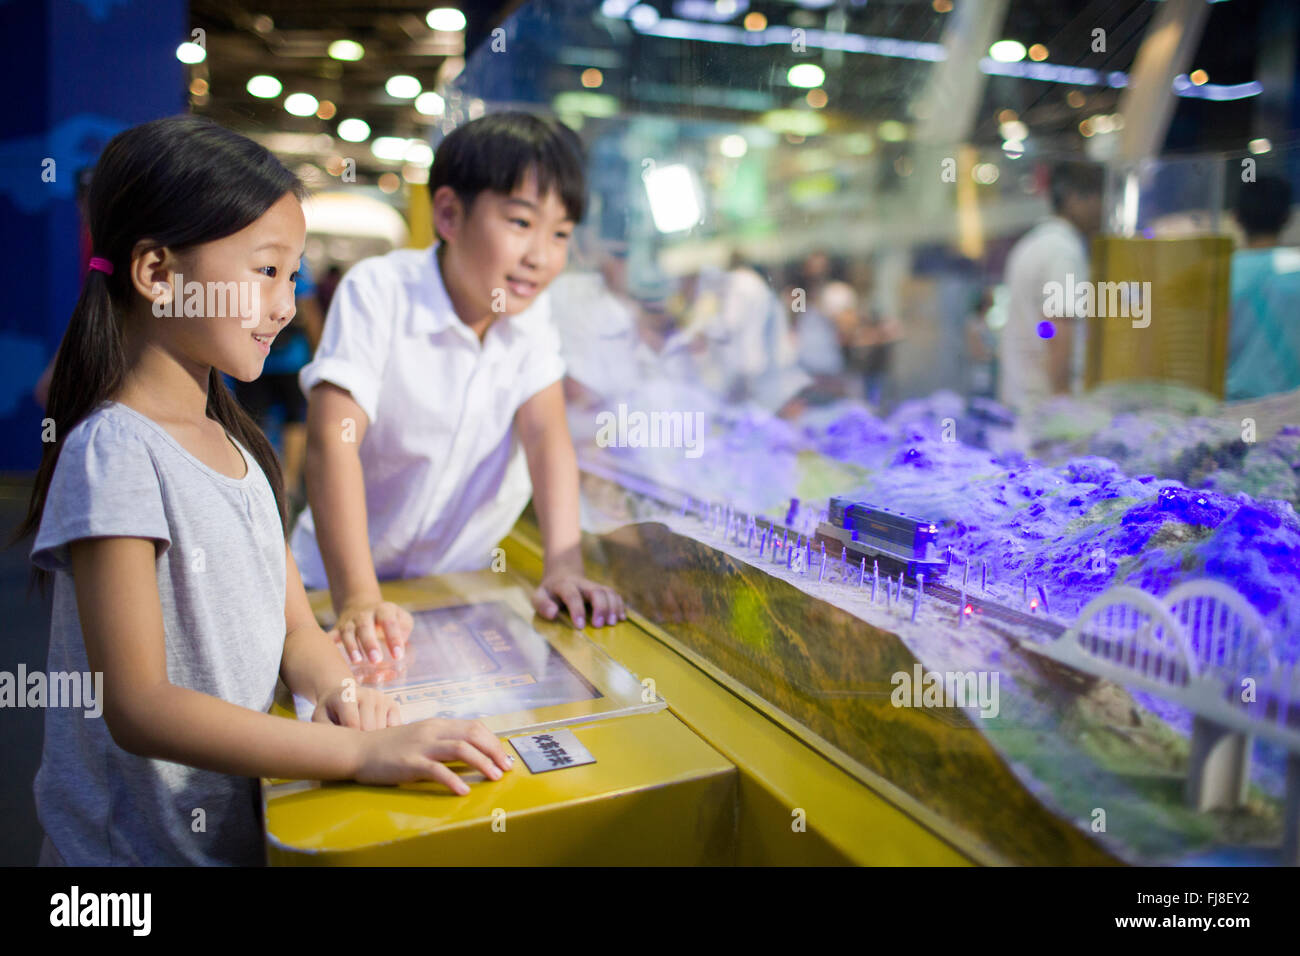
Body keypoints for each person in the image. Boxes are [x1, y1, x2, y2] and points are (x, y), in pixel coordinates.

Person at [11, 116, 513, 867]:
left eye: (294, 274)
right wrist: (353, 755)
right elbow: (140, 706)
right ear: (157, 274)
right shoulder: (114, 452)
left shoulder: (243, 447)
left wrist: (343, 694)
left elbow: (295, 634)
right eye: (265, 270)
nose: (285, 305)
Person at [291, 112, 625, 667]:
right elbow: (333, 439)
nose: (541, 255)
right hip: (329, 589)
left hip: (446, 599)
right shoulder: (381, 290)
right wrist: (358, 597)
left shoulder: (531, 317)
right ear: (448, 213)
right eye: (521, 222)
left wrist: (564, 566)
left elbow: (546, 437)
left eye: (560, 233)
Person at [998, 161, 1103, 414]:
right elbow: (1057, 326)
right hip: (1044, 405)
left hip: (1021, 397)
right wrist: (1062, 399)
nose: (1102, 208)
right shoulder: (1063, 251)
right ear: (1075, 199)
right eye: (1098, 198)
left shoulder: (1032, 243)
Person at [233, 257, 323, 514]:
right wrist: (317, 354)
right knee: (293, 419)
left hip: (263, 358)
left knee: (254, 419)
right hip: (290, 358)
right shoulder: (297, 262)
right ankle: (288, 483)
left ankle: (263, 477)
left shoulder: (257, 257)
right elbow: (309, 310)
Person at [1226, 174, 1300, 400]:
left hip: (1229, 410)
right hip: (1291, 415)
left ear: (1236, 218)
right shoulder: (1294, 269)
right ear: (1287, 217)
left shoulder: (1218, 275)